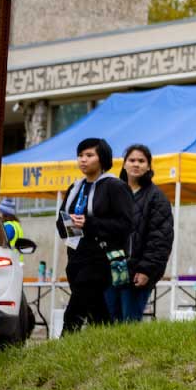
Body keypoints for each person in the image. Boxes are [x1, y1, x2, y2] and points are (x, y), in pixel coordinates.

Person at [55, 138, 133, 333]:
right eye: (80, 155)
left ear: (102, 159)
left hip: (101, 258)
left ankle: (65, 345)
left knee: (75, 309)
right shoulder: (75, 187)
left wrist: (88, 224)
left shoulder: (114, 186)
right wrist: (69, 223)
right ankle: (108, 341)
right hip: (76, 255)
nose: (83, 160)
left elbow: (126, 224)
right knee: (96, 308)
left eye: (89, 155)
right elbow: (60, 221)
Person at [112, 144, 172, 324]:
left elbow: (161, 239)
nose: (136, 164)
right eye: (131, 160)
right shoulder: (114, 193)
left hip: (138, 273)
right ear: (124, 165)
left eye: (141, 161)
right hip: (111, 270)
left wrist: (146, 270)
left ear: (148, 166)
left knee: (129, 324)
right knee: (106, 324)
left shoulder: (156, 197)